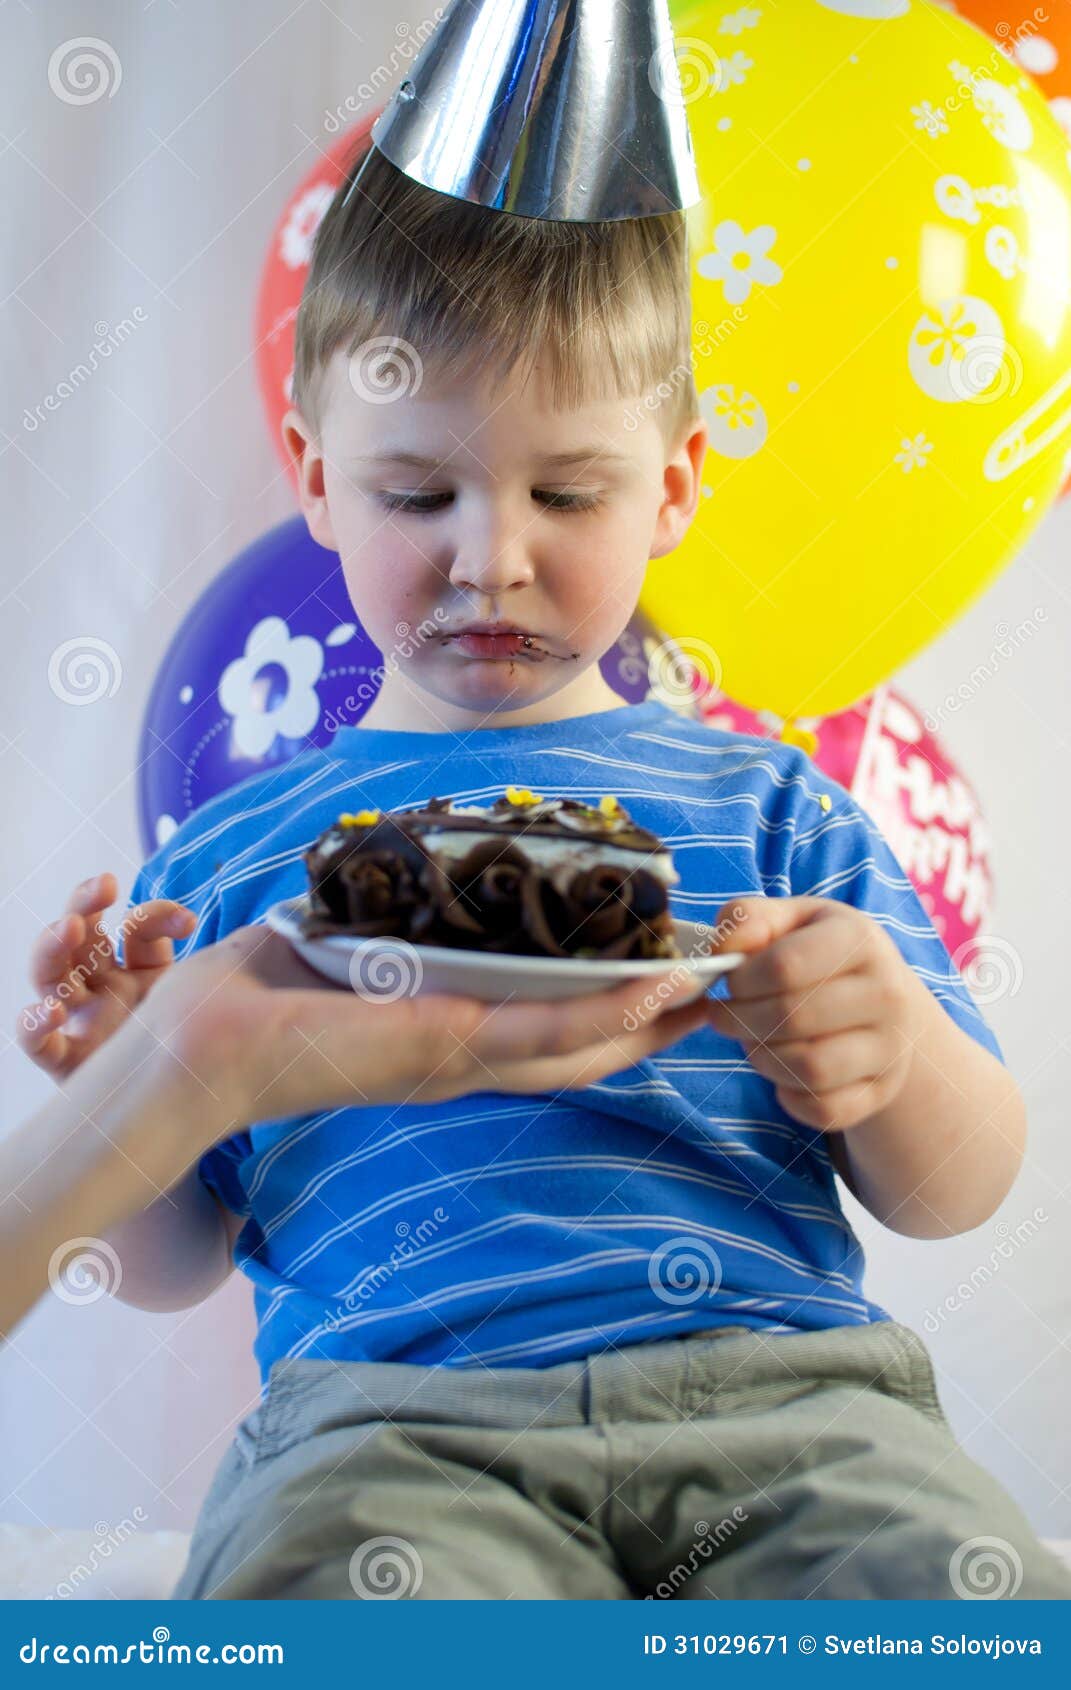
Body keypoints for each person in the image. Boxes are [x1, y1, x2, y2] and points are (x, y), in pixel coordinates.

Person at [22, 138, 1071, 1602]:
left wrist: (886, 1049)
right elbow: (166, 1259)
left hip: (792, 1415)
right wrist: (124, 1076)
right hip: (390, 1434)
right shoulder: (226, 863)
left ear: (675, 487)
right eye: (416, 494)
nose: (490, 558)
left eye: (568, 494)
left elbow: (957, 1188)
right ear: (320, 481)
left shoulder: (769, 804)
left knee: (958, 1599)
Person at [8, 875, 710, 1334]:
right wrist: (126, 1097)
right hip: (371, 1420)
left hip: (765, 1382)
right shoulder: (217, 869)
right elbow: (180, 1269)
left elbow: (828, 1143)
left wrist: (818, 1032)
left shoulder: (780, 804)